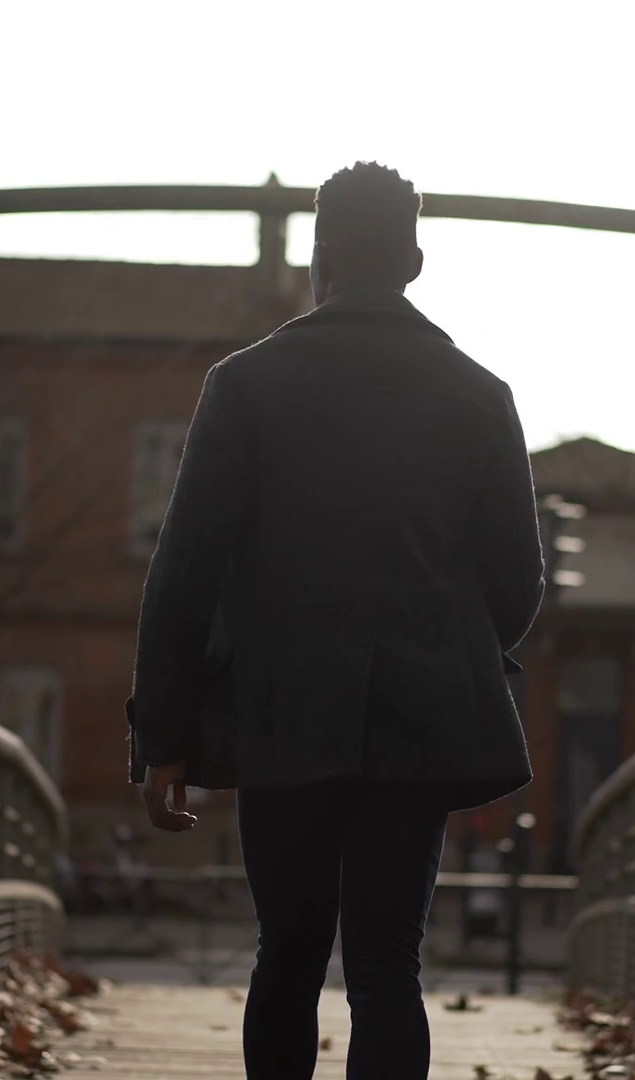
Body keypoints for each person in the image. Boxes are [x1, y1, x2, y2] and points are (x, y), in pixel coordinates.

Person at [127, 161, 544, 1079]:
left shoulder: (246, 386)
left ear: (320, 259)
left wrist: (165, 734)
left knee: (289, 948)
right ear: (416, 260)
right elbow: (519, 583)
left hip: (283, 708)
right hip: (421, 714)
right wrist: (446, 648)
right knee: (388, 966)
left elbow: (183, 573)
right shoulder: (481, 396)